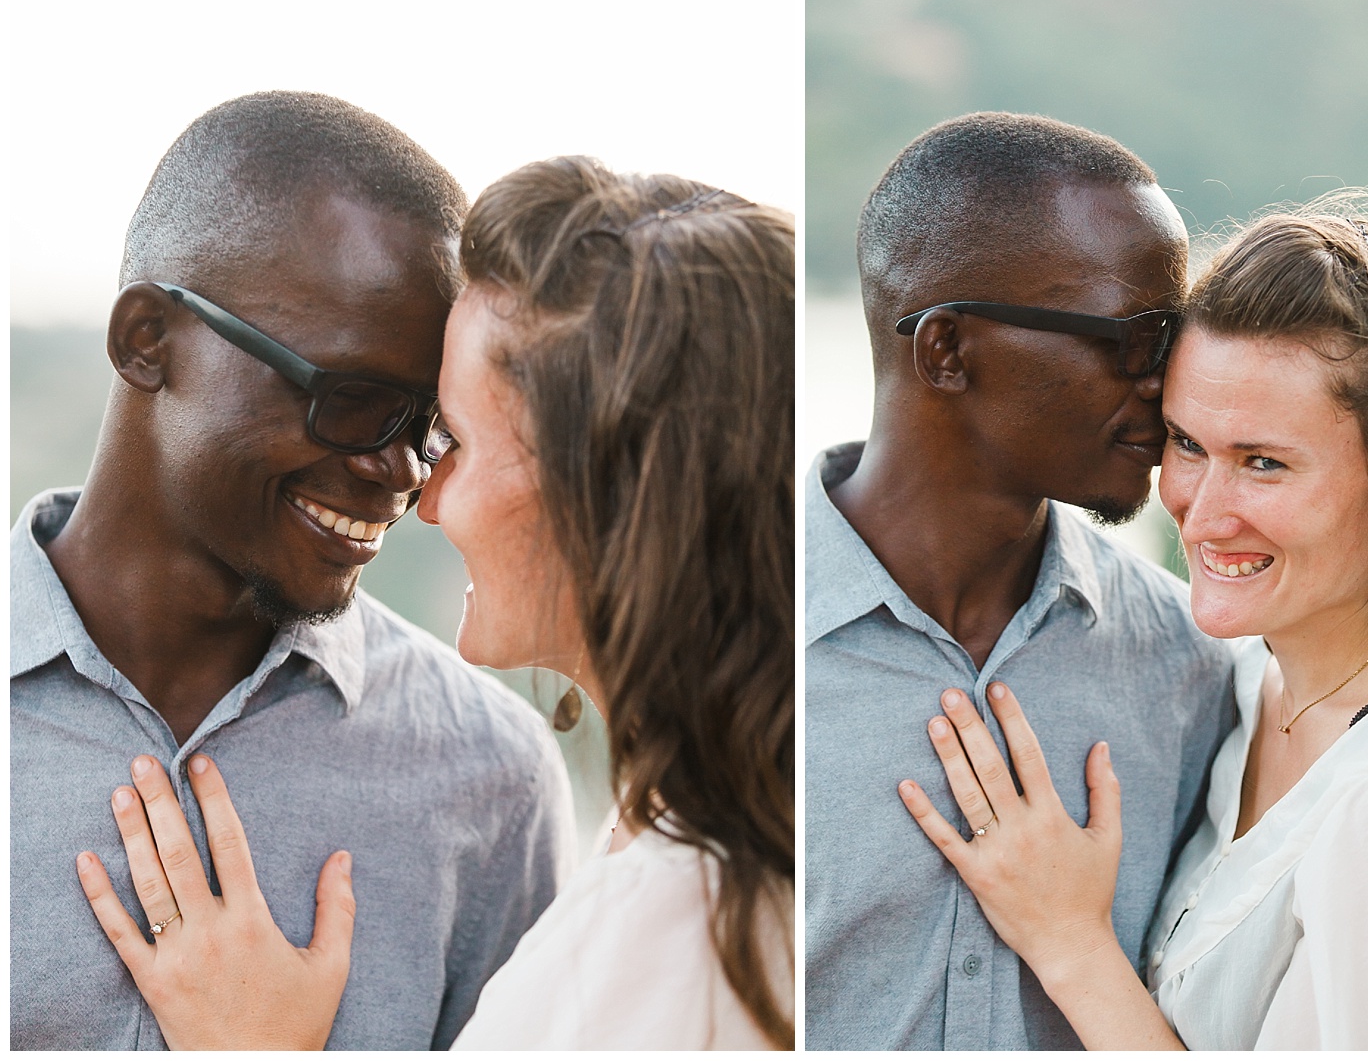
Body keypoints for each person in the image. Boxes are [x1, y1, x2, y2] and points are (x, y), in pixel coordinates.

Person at [76, 157, 797, 1049]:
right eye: (353, 402)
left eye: (446, 433)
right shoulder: (676, 859)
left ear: (608, 494)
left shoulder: (680, 916)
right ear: (147, 341)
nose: (421, 487)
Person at [900, 194, 1368, 1049]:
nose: (1201, 512)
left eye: (1264, 463)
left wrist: (1070, 941)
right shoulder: (1248, 687)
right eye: (1187, 443)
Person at [19, 92, 574, 1050]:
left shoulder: (494, 778)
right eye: (352, 400)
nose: (399, 473)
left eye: (428, 427)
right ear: (147, 342)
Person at [806, 112, 1237, 1049]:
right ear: (948, 350)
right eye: (1135, 339)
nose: (1167, 386)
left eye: (1178, 340)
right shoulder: (729, 636)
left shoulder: (1194, 665)